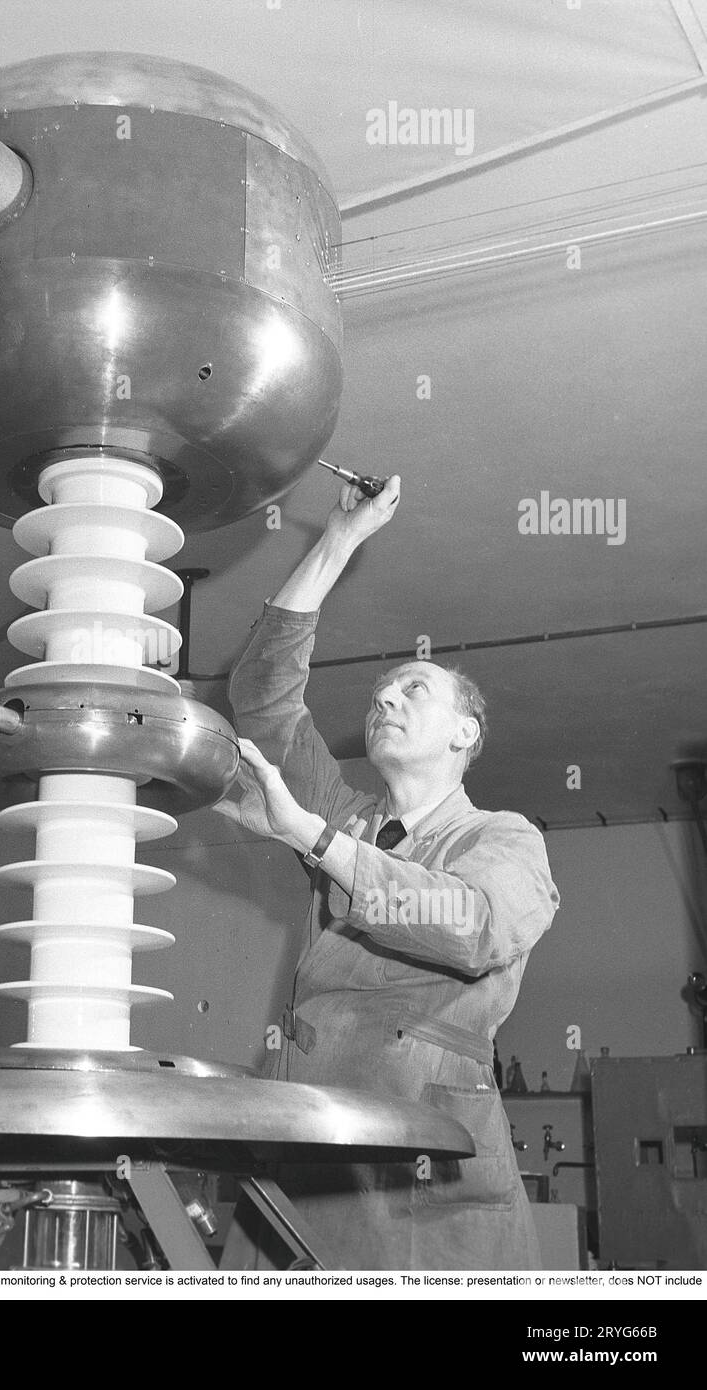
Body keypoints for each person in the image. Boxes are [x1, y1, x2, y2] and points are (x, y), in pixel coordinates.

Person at [217, 474, 560, 1270]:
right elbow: (262, 694)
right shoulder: (346, 815)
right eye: (377, 694)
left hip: (426, 1156)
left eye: (413, 689)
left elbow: (475, 927)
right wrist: (338, 540)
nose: (386, 700)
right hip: (308, 1131)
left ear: (465, 733)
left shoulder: (503, 837)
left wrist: (316, 841)